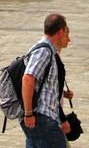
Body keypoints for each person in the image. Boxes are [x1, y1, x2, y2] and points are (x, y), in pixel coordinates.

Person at [20, 13, 74, 147]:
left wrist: (62, 94)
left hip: (43, 118)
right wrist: (28, 113)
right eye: (66, 32)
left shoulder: (49, 50)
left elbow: (43, 84)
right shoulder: (44, 51)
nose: (68, 38)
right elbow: (28, 79)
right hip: (42, 118)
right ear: (60, 32)